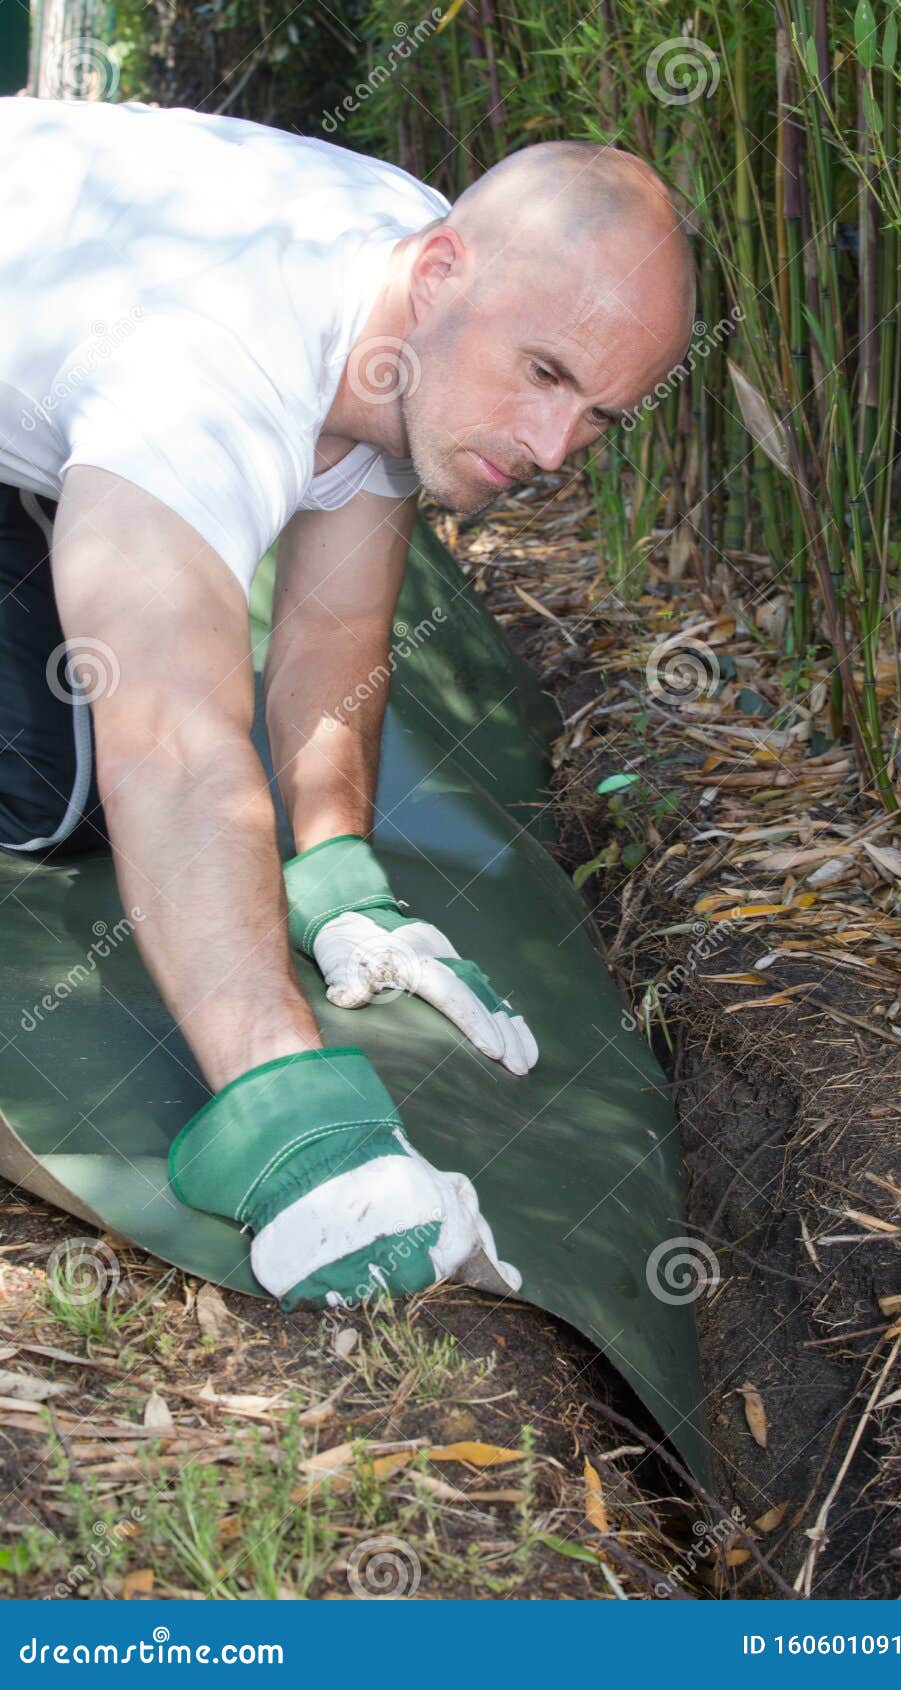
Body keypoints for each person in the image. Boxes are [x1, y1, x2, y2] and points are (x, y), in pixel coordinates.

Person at [0, 97, 697, 1307]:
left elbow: (331, 630)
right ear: (437, 275)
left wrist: (337, 877)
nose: (550, 446)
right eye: (543, 375)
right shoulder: (204, 367)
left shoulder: (427, 294)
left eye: (595, 414)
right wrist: (288, 1111)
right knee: (61, 785)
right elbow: (171, 743)